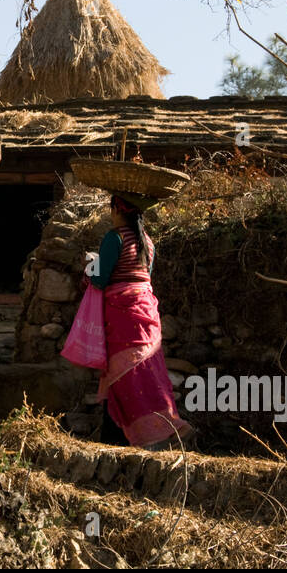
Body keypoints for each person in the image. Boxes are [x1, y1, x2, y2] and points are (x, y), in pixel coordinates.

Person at [83, 191, 195, 450]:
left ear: (118, 210)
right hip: (146, 315)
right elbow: (144, 279)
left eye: (111, 209)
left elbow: (100, 279)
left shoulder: (115, 238)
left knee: (122, 378)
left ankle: (121, 438)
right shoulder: (148, 242)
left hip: (122, 318)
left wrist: (88, 268)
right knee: (146, 375)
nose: (110, 215)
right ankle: (161, 427)